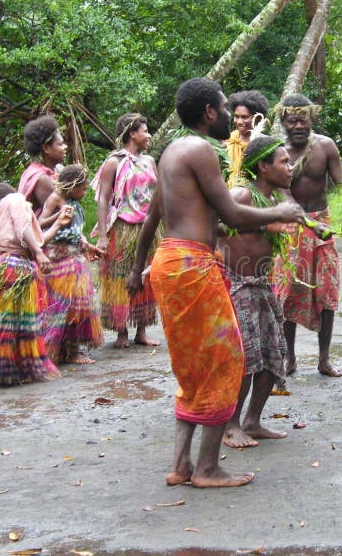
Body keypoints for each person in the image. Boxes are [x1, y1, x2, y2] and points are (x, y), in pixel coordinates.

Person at [126, 77, 302, 488]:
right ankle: (207, 468)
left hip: (171, 261)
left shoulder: (171, 152)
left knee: (194, 366)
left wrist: (137, 268)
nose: (229, 115)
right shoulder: (202, 150)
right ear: (209, 111)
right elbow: (233, 214)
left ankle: (181, 466)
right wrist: (285, 215)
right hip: (192, 263)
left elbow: (155, 215)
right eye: (224, 107)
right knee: (225, 359)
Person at [218, 136, 298, 448]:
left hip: (262, 285)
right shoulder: (242, 194)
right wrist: (265, 226)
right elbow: (216, 226)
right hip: (237, 285)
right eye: (284, 162)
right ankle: (230, 424)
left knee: (271, 352)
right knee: (244, 359)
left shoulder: (274, 200)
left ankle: (253, 420)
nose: (290, 168)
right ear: (263, 167)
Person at [273, 93, 342, 377]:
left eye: (303, 119)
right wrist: (306, 224)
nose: (299, 125)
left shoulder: (325, 146)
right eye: (293, 121)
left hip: (323, 225)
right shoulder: (277, 153)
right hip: (291, 227)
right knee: (288, 291)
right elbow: (284, 198)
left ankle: (324, 358)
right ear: (283, 121)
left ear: (311, 119)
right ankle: (289, 357)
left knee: (327, 291)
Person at [0, 183, 72, 387]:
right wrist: (38, 253)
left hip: (6, 266)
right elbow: (23, 229)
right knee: (18, 323)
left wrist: (58, 224)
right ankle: (15, 368)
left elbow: (36, 239)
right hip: (15, 267)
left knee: (7, 322)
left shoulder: (5, 210)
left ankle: (6, 370)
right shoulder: (15, 199)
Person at [91, 113, 160, 349]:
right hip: (121, 228)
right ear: (132, 133)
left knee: (144, 277)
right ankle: (121, 332)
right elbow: (103, 199)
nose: (148, 135)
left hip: (147, 228)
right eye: (145, 130)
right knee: (120, 279)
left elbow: (157, 195)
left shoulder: (149, 161)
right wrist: (102, 236)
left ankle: (141, 331)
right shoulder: (114, 162)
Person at [39, 164, 104, 365]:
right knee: (60, 308)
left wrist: (87, 247)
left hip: (76, 260)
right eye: (83, 188)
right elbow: (39, 223)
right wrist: (58, 216)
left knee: (78, 307)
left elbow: (75, 232)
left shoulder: (73, 202)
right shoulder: (55, 199)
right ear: (72, 186)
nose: (85, 192)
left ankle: (74, 350)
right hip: (59, 263)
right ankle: (56, 349)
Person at [18, 115, 66, 224]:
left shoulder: (52, 171)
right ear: (46, 148)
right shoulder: (42, 179)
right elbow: (59, 216)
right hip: (42, 238)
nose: (65, 147)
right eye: (60, 144)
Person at [224, 90, 270, 187]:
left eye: (244, 117)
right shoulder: (227, 141)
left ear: (257, 118)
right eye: (236, 117)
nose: (239, 122)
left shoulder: (266, 145)